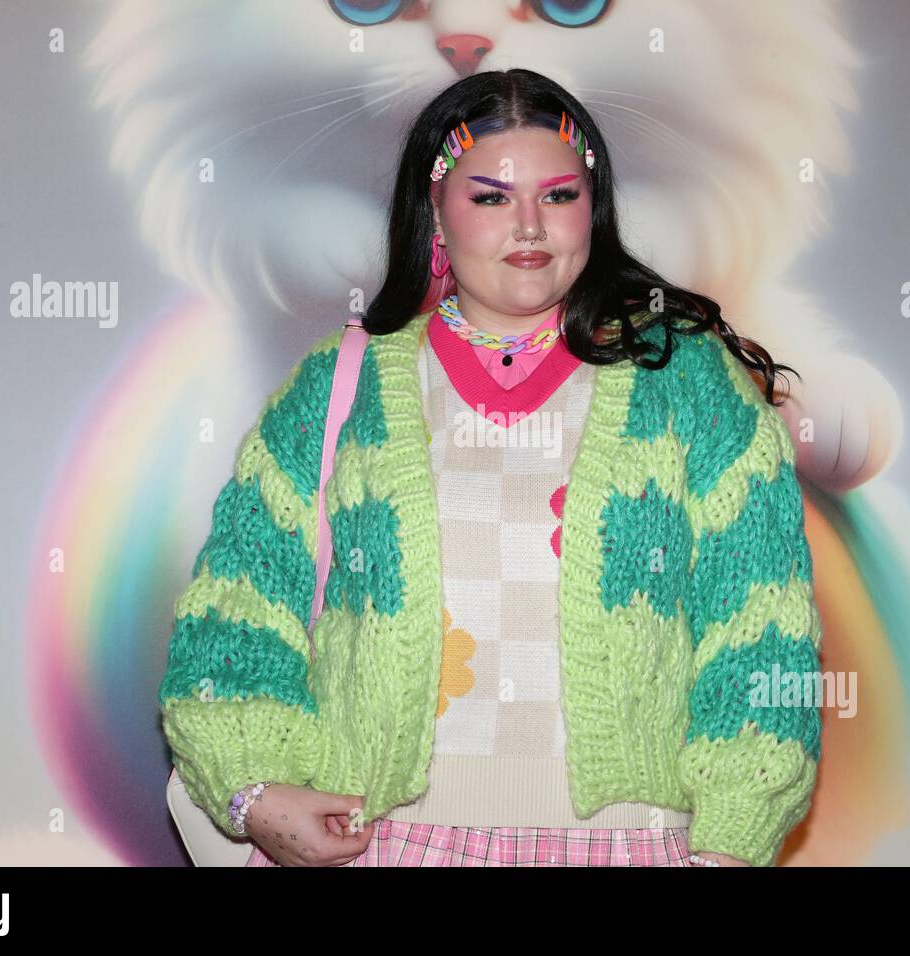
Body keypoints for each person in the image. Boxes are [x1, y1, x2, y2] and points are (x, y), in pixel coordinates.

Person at [158, 68, 822, 867]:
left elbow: (762, 628)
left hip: (637, 848)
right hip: (382, 846)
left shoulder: (687, 383)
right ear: (435, 211)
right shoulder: (340, 386)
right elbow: (236, 616)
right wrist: (255, 794)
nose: (531, 226)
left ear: (594, 209)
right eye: (491, 197)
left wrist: (731, 841)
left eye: (560, 195)